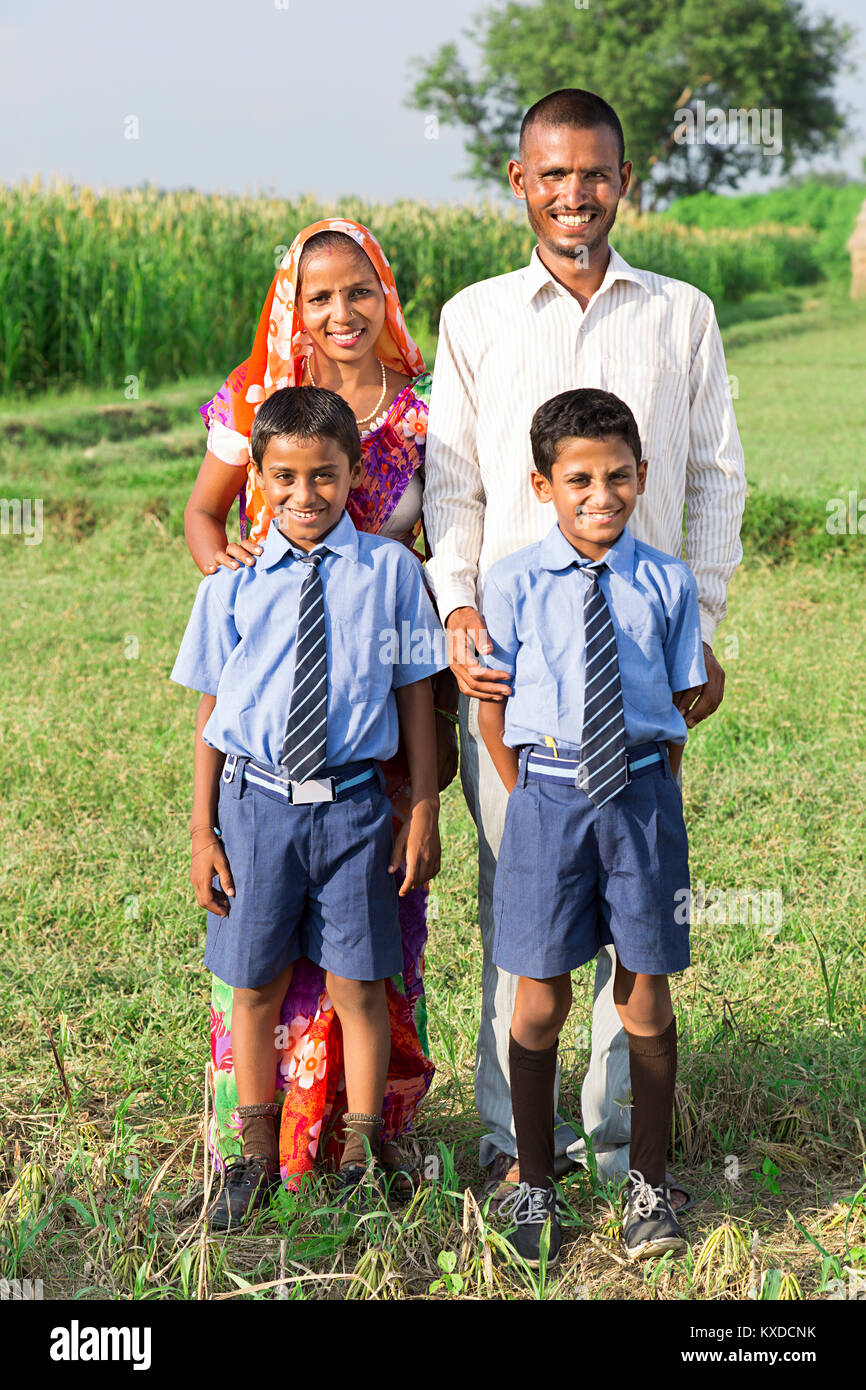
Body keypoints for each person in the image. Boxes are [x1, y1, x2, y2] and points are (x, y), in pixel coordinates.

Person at [423, 88, 746, 1200]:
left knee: (632, 918)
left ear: (623, 180)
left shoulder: (679, 315)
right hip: (519, 675)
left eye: (593, 173)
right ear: (519, 182)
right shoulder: (473, 318)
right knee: (519, 910)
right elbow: (453, 487)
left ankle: (623, 1151)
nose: (574, 194)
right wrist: (459, 615)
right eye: (551, 174)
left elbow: (711, 477)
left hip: (641, 672)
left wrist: (696, 626)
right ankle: (516, 1147)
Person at [183, 219, 457, 1187]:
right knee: (259, 962)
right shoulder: (256, 398)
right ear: (289, 304)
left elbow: (453, 540)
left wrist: (423, 795)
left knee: (368, 949)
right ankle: (267, 1146)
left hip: (375, 715)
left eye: (359, 292)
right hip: (268, 742)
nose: (339, 313)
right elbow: (203, 515)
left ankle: (362, 1136)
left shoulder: (426, 416)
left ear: (385, 295)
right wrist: (238, 581)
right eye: (317, 296)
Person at [477, 387, 706, 1263]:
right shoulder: (512, 582)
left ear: (643, 476)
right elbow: (492, 704)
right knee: (539, 995)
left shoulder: (666, 581)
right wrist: (528, 792)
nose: (600, 494)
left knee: (644, 987)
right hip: (549, 797)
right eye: (579, 479)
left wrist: (653, 791)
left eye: (617, 476)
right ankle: (533, 1179)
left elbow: (683, 696)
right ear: (543, 486)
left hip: (642, 797)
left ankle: (648, 1180)